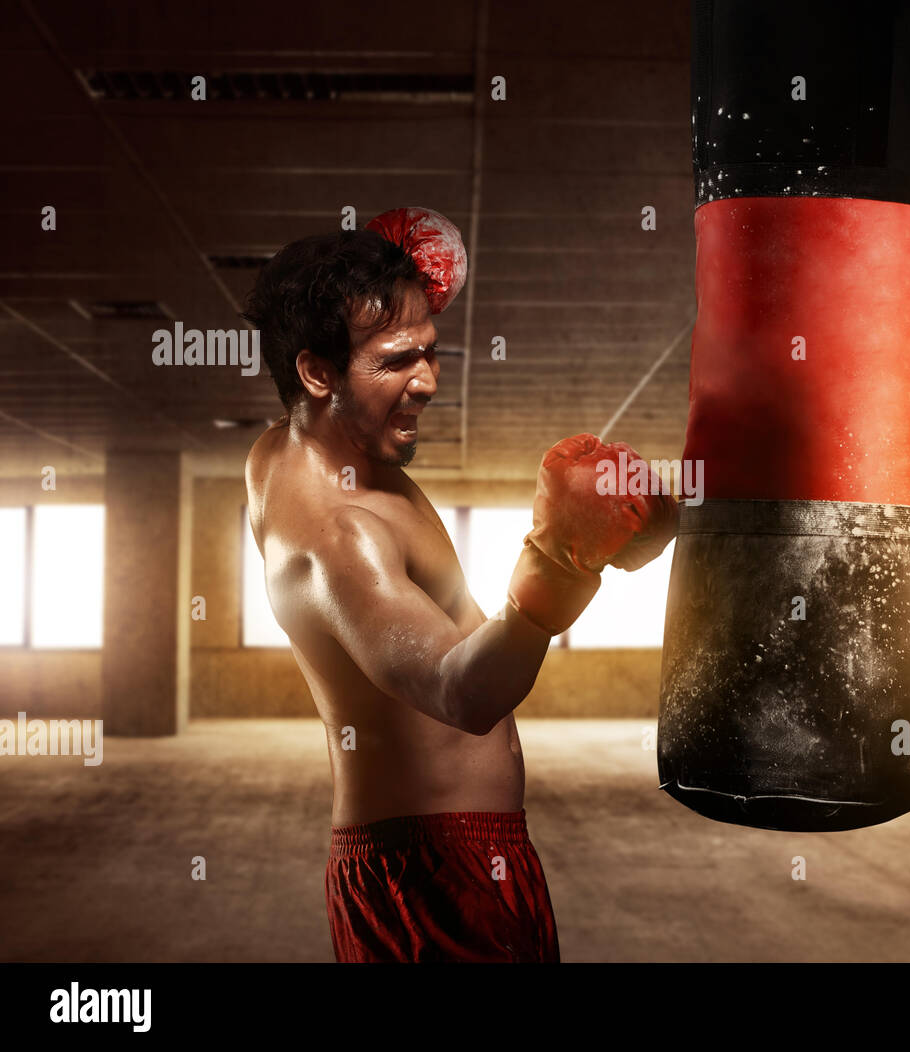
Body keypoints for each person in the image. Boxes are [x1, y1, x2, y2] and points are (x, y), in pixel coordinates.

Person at [242, 208, 678, 962]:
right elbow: (462, 694)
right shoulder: (340, 536)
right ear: (316, 372)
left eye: (429, 353)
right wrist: (560, 566)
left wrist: (623, 535)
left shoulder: (281, 448)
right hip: (436, 876)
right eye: (395, 362)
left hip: (437, 858)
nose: (427, 383)